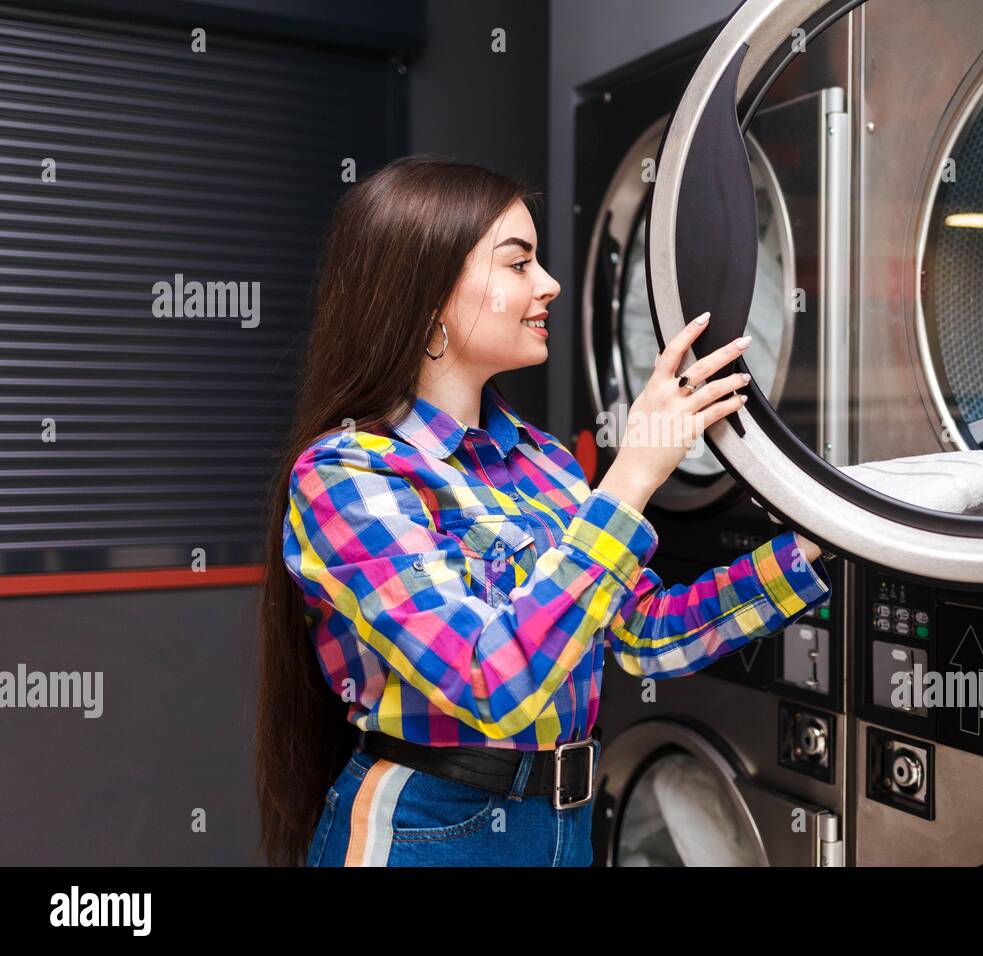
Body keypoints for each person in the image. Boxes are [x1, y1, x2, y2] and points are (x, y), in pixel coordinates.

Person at [255, 156, 833, 867]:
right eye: (518, 263)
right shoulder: (348, 475)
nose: (550, 284)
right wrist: (634, 474)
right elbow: (492, 683)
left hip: (563, 828)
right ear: (429, 292)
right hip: (431, 834)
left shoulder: (542, 462)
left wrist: (816, 540)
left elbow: (643, 635)